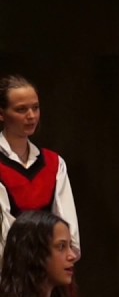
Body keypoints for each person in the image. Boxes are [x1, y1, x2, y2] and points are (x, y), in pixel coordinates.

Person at [0, 76, 79, 255]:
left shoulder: (53, 163)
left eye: (35, 108)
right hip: (9, 269)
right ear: (2, 114)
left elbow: (68, 226)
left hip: (49, 266)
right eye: (21, 109)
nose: (31, 116)